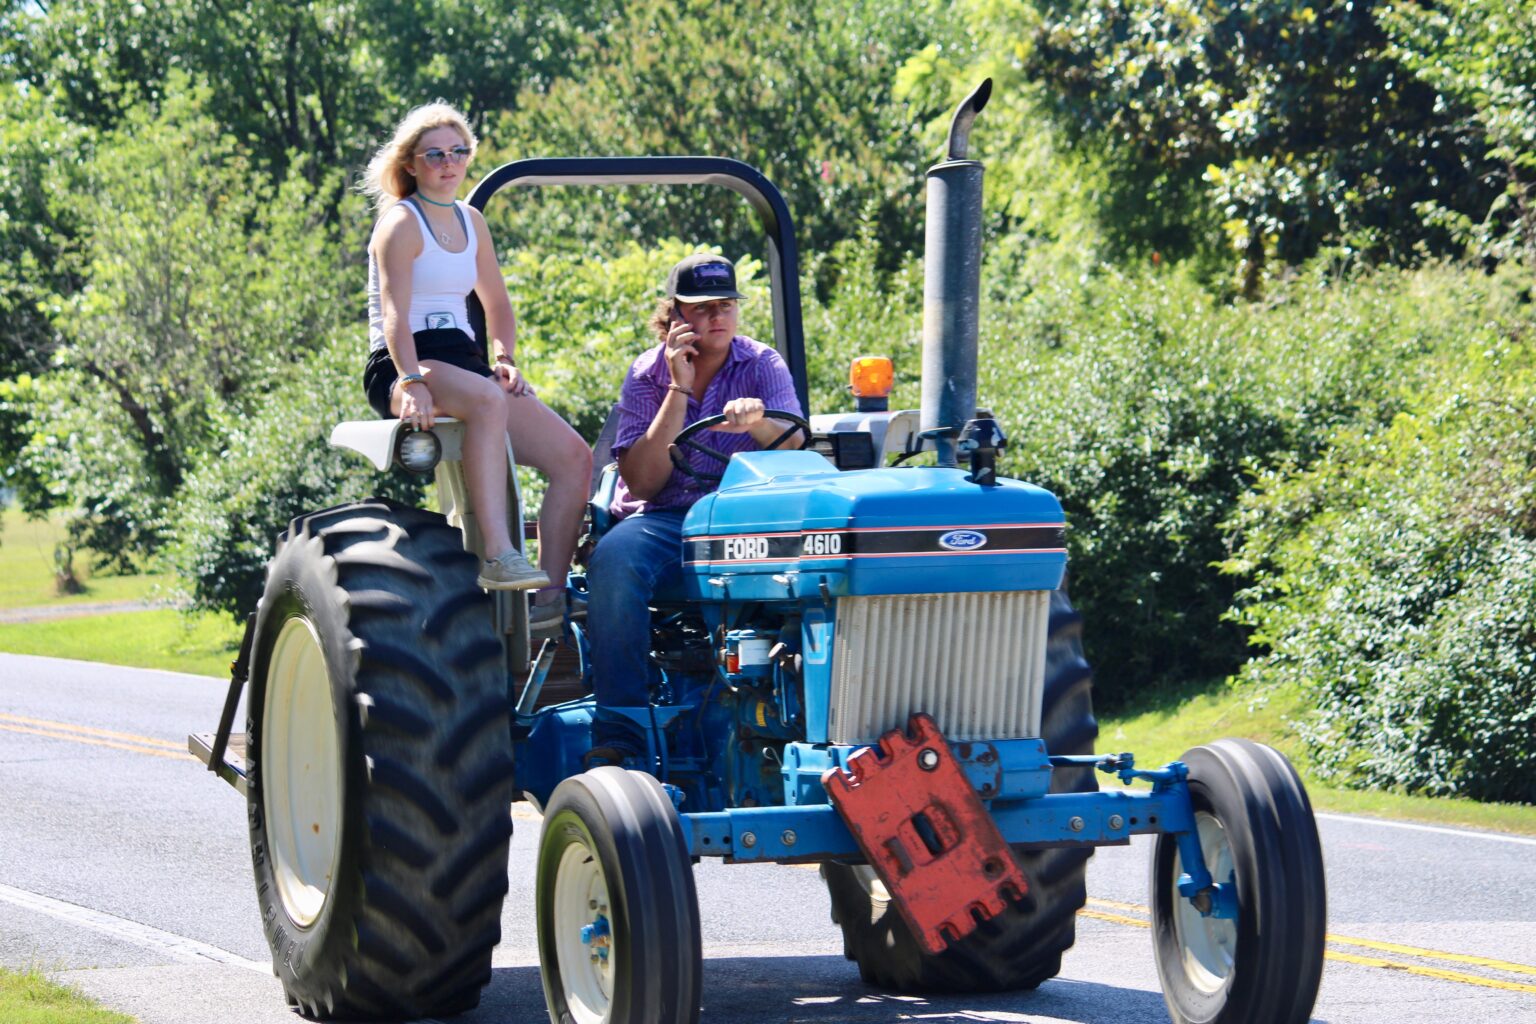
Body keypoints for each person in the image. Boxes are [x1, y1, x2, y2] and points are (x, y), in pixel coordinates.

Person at [361, 102, 591, 630]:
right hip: (404, 361)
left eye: (459, 152)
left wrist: (504, 358)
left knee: (573, 459)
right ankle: (497, 554)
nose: (449, 162)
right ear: (412, 164)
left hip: (463, 362)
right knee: (487, 401)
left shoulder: (471, 222)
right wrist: (412, 380)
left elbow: (497, 305)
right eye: (435, 154)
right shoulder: (400, 223)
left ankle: (547, 600)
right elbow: (395, 312)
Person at [584, 253, 805, 765]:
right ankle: (622, 729)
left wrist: (757, 424)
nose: (717, 318)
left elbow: (795, 445)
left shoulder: (761, 364)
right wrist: (678, 389)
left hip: (746, 515)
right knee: (616, 561)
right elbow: (643, 481)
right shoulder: (646, 374)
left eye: (725, 305)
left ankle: (801, 715)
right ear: (677, 315)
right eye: (703, 309)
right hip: (668, 520)